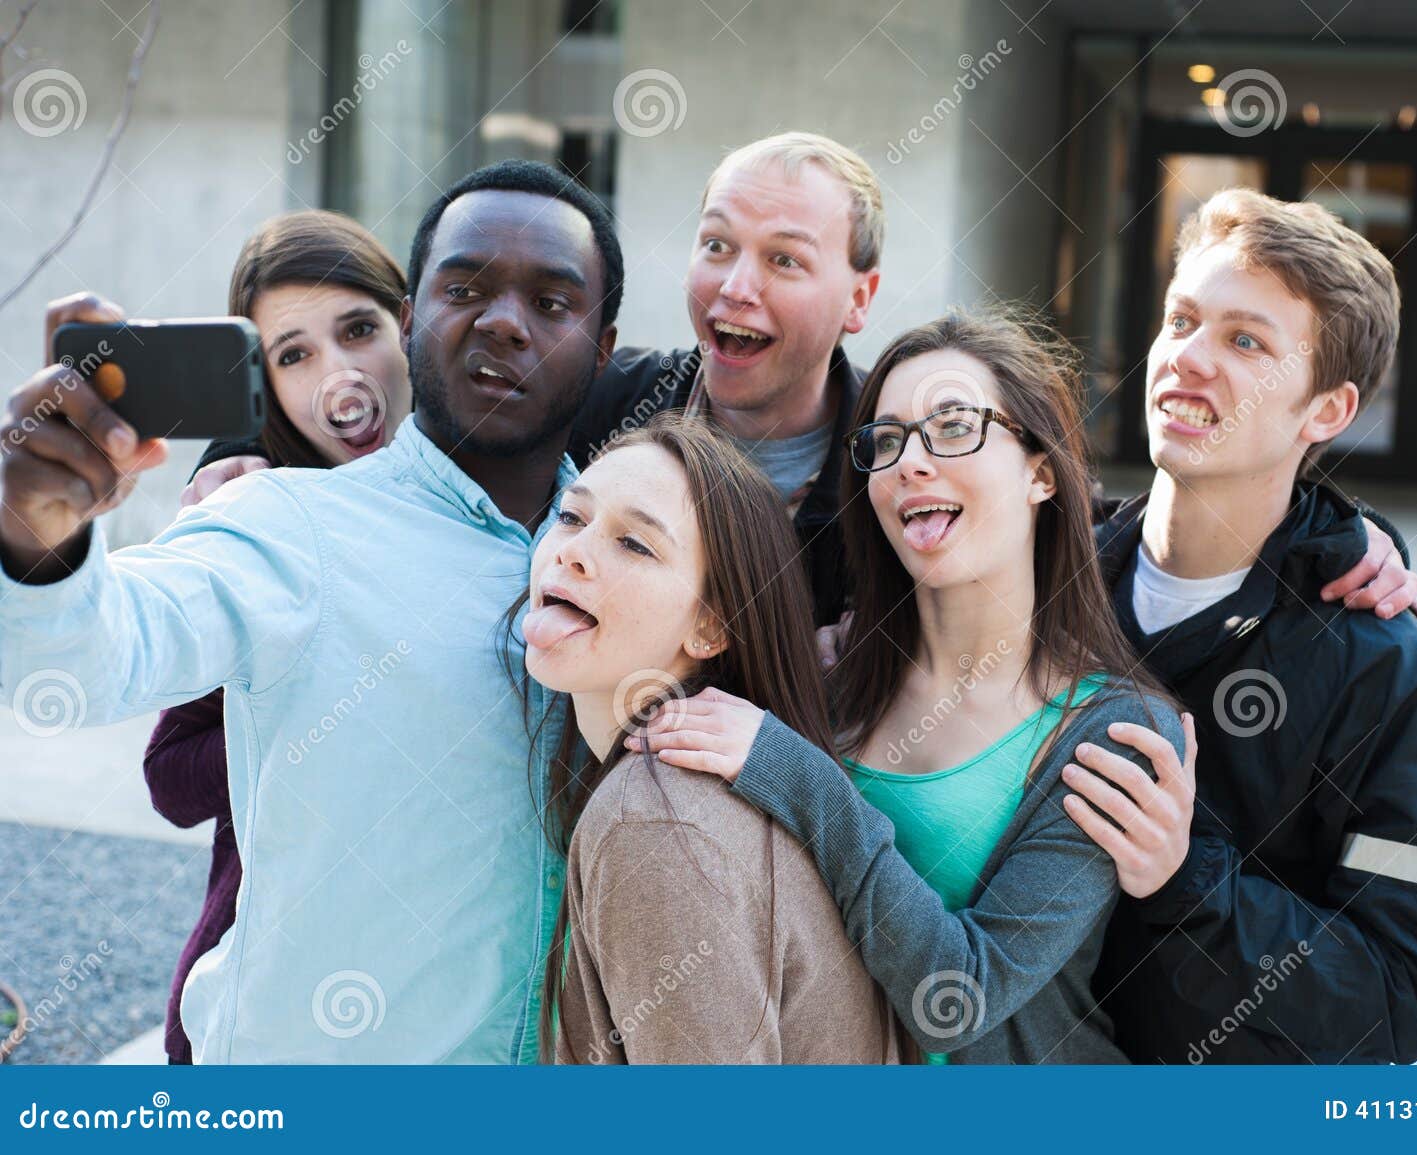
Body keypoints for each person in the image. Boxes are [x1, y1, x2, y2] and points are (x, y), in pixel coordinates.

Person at [189, 133, 1417, 627]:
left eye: (784, 260)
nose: (736, 287)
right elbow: (423, 406)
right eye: (717, 245)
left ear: (858, 297)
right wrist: (238, 455)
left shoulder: (906, 453)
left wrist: (1333, 529)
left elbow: (1084, 526)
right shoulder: (611, 403)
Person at [0, 159, 621, 1062]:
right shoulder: (284, 524)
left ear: (604, 348)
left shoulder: (629, 558)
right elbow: (87, 656)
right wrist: (37, 537)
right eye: (464, 288)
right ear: (414, 318)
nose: (501, 320)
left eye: (553, 301)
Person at [629, 311, 1185, 1063]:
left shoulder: (1115, 735)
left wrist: (792, 772)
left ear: (1041, 471)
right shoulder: (827, 685)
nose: (910, 463)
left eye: (953, 427)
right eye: (885, 441)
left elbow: (957, 999)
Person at [1069, 188, 1417, 1063]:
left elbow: (1403, 997)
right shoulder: (1041, 585)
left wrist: (1187, 877)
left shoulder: (1390, 668)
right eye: (1181, 320)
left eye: (1245, 341)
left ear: (1327, 410)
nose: (1189, 358)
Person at [519, 414, 899, 1063]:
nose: (571, 550)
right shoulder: (678, 798)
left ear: (711, 628)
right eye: (571, 516)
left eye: (634, 544)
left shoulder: (654, 822)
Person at [140, 209, 412, 1065]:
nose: (340, 377)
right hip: (258, 1010)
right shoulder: (259, 533)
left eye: (359, 330)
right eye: (294, 355)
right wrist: (308, 712)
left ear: (411, 325)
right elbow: (170, 778)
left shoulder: (514, 497)